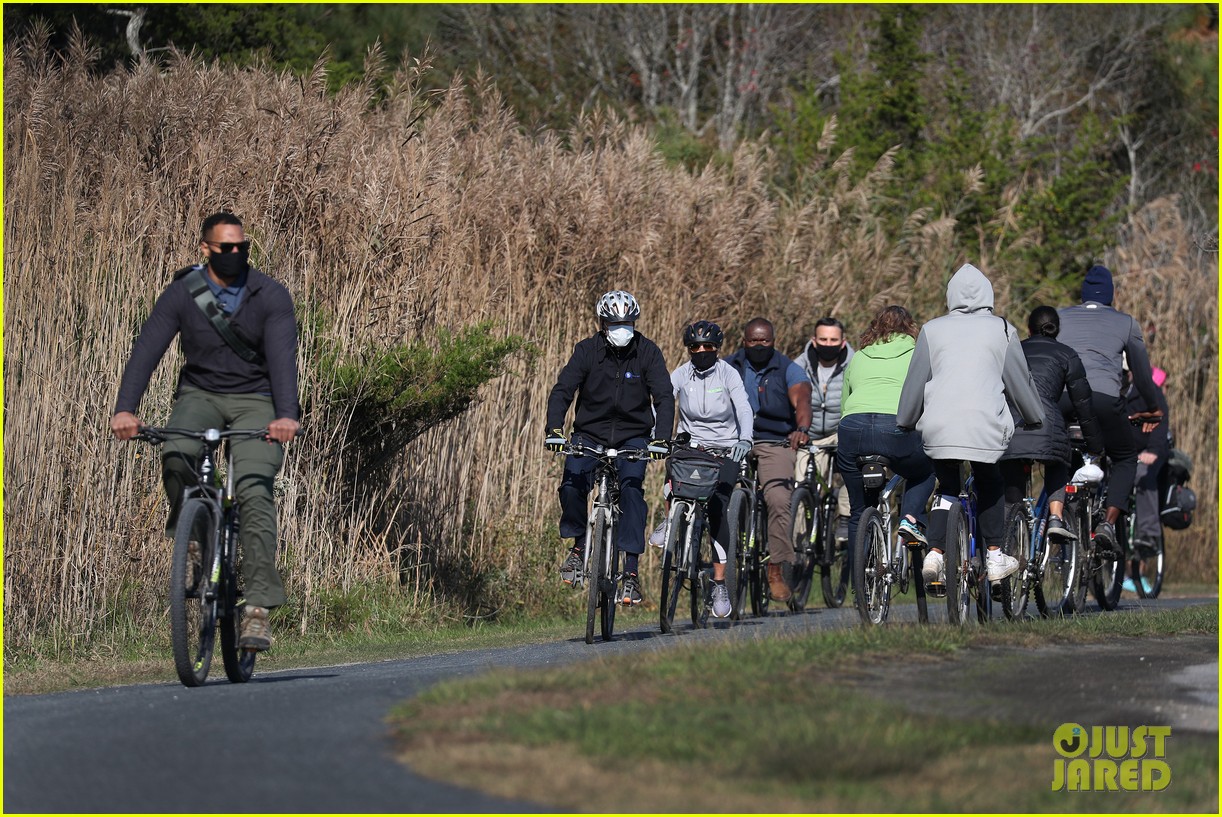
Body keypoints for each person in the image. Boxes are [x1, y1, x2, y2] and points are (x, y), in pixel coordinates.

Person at [111, 212, 300, 651]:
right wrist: (126, 409)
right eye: (226, 248)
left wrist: (286, 415)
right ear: (206, 249)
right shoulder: (183, 293)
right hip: (200, 394)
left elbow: (282, 360)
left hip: (257, 401)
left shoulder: (269, 295)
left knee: (254, 490)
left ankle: (256, 609)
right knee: (176, 453)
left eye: (242, 248)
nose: (235, 254)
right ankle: (197, 538)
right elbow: (148, 348)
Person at [896, 263, 1044, 591]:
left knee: (947, 487)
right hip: (984, 426)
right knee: (990, 482)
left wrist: (905, 419)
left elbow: (915, 381)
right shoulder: (1002, 329)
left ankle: (934, 553)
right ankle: (994, 556)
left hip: (939, 426)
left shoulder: (932, 330)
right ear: (988, 295)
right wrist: (1035, 417)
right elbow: (1020, 381)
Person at [545, 290, 675, 606]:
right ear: (603, 323)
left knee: (632, 493)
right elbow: (563, 390)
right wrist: (554, 429)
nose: (622, 328)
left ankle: (630, 573)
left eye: (627, 323)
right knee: (572, 484)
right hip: (589, 434)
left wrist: (660, 439)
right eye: (616, 323)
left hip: (634, 437)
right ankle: (579, 546)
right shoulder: (587, 351)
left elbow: (664, 397)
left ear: (634, 323)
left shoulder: (648, 353)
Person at [1057, 264, 1163, 554]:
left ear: (1083, 295)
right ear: (1110, 296)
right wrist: (1153, 408)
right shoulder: (1125, 323)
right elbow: (1142, 374)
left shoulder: (1060, 316)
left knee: (1059, 456)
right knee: (1126, 457)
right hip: (1103, 399)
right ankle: (1106, 523)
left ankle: (1055, 514)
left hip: (1063, 398)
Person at [662, 320, 754, 618]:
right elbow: (663, 399)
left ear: (717, 348)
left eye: (708, 347)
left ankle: (718, 584)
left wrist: (745, 438)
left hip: (727, 448)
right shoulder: (682, 373)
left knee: (717, 508)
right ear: (688, 349)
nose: (702, 351)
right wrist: (655, 433)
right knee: (671, 477)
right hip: (692, 445)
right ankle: (670, 521)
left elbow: (743, 407)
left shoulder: (729, 374)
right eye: (695, 347)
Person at [998, 306, 1105, 546]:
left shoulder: (1012, 350)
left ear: (1028, 328)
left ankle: (1006, 543)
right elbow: (1083, 405)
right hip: (1048, 426)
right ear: (1057, 329)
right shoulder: (1067, 355)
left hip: (1012, 426)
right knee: (1058, 463)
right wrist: (1096, 445)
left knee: (1011, 489)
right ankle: (1056, 518)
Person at [836, 306, 937, 554]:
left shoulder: (859, 356)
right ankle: (910, 518)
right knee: (924, 472)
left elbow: (844, 403)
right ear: (910, 328)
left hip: (852, 429)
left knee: (858, 512)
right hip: (895, 427)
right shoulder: (917, 354)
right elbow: (928, 398)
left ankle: (860, 585)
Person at [726, 317, 813, 602]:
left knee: (777, 499)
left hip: (772, 440)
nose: (759, 345)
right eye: (754, 341)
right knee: (714, 492)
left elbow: (801, 399)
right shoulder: (728, 366)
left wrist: (801, 429)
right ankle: (714, 568)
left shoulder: (788, 368)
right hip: (733, 439)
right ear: (744, 341)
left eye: (765, 340)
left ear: (773, 341)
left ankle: (775, 567)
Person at [796, 317, 854, 540]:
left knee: (855, 466)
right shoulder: (799, 365)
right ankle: (800, 540)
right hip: (810, 436)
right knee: (801, 483)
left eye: (833, 340)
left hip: (840, 431)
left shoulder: (855, 362)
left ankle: (845, 516)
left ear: (842, 342)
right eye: (823, 339)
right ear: (814, 340)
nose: (827, 344)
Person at [1125, 364, 1171, 589]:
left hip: (1148, 454)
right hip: (1123, 456)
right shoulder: (1109, 389)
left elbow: (1161, 423)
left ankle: (1149, 535)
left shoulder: (1150, 390)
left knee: (1144, 477)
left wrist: (1152, 451)